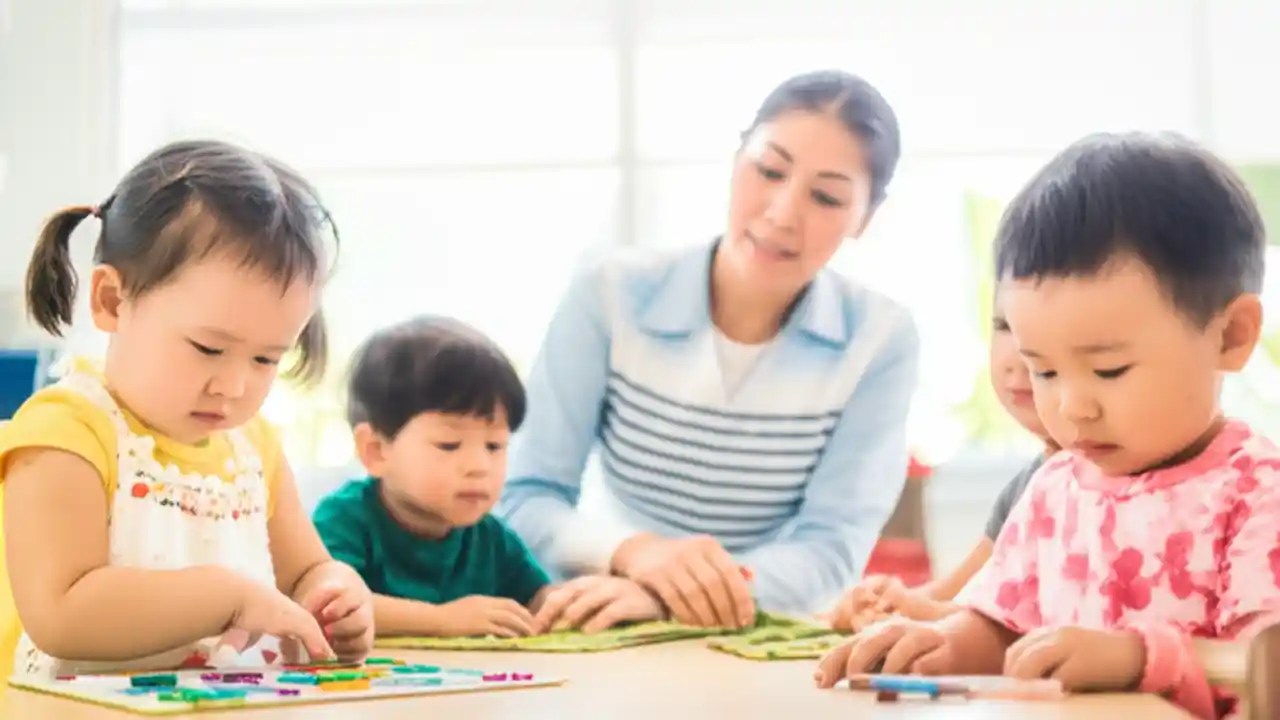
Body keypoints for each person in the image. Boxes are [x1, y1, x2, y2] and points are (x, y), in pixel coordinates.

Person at [816, 132, 1280, 720]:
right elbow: (1002, 628)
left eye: (1108, 370)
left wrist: (1138, 658)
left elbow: (1264, 665)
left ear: (1232, 335)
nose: (1071, 407)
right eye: (1044, 370)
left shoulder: (1255, 490)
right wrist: (938, 646)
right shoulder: (1055, 487)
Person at [497, 68, 918, 625]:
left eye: (826, 196)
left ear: (865, 218)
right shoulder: (610, 292)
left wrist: (673, 597)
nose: (782, 212)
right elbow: (524, 499)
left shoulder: (879, 339)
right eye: (769, 171)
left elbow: (831, 549)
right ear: (736, 157)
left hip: (758, 630)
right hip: (601, 610)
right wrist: (638, 555)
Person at [0, 140, 374, 681]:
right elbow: (61, 613)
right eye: (208, 348)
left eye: (267, 357)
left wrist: (334, 594)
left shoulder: (254, 448)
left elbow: (307, 570)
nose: (234, 385)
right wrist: (227, 597)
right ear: (111, 301)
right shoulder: (67, 431)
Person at [313, 316, 667, 638]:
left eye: (495, 446)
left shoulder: (491, 538)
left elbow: (538, 600)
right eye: (450, 445)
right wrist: (442, 620)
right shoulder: (344, 520)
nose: (479, 465)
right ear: (376, 451)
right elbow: (332, 607)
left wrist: (577, 601)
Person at [829, 298, 1057, 631]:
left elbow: (1001, 628)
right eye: (1004, 325)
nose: (1019, 357)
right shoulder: (1031, 484)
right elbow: (953, 598)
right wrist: (887, 605)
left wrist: (913, 612)